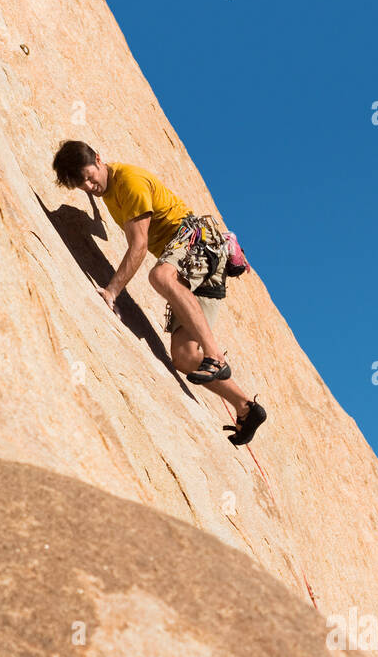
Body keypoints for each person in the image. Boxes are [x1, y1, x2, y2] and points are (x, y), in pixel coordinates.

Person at [52, 140, 266, 445]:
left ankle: (215, 356)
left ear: (100, 158)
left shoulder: (131, 182)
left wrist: (111, 292)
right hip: (199, 270)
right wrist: (94, 207)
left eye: (89, 176)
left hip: (196, 243)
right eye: (82, 185)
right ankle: (246, 407)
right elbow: (100, 213)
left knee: (161, 275)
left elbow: (138, 246)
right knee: (184, 357)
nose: (89, 187)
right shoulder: (108, 189)